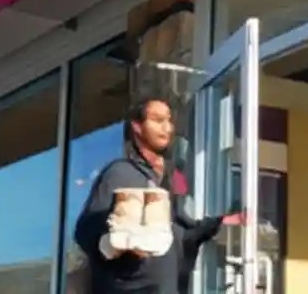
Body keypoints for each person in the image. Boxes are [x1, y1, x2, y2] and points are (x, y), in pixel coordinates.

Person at [74, 97, 243, 294]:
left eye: (169, 120)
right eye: (157, 120)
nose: (167, 128)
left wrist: (222, 221)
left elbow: (183, 235)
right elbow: (86, 232)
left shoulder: (170, 181)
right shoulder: (121, 173)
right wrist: (119, 245)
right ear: (137, 126)